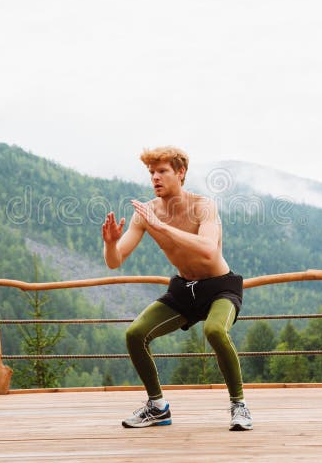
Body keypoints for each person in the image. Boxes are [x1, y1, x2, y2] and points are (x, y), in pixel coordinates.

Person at [101, 146, 253, 431]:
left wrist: (162, 226)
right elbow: (115, 261)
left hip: (220, 287)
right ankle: (157, 407)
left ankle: (239, 405)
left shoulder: (202, 206)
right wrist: (110, 243)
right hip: (184, 290)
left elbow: (208, 249)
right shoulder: (145, 213)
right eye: (151, 173)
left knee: (214, 330)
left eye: (162, 171)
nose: (155, 178)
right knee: (135, 334)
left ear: (180, 173)